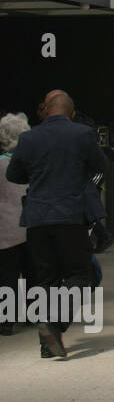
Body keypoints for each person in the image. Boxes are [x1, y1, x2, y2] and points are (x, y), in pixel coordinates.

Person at [4, 92, 106, 358]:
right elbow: (100, 166)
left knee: (44, 279)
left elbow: (14, 174)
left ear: (46, 110)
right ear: (71, 113)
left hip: (37, 218)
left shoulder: (28, 138)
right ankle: (55, 324)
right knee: (79, 275)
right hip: (70, 215)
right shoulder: (82, 134)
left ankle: (46, 345)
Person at [0, 113, 32, 337]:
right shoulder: (34, 162)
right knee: (34, 271)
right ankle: (35, 313)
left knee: (7, 275)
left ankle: (6, 320)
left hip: (5, 227)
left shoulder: (2, 164)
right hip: (31, 224)